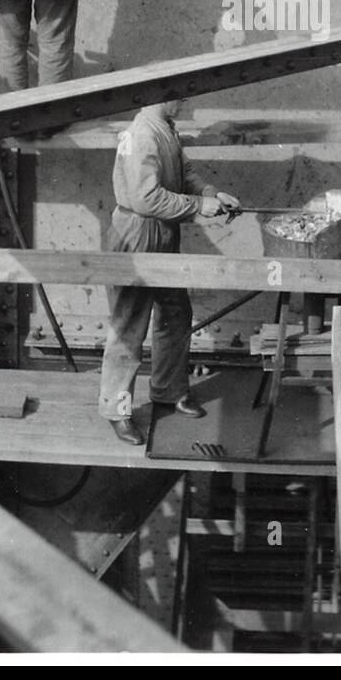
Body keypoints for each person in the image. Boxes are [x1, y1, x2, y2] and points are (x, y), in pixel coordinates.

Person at [98, 100, 241, 445]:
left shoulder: (165, 128)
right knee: (129, 324)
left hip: (163, 231)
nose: (186, 101)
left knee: (175, 312)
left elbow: (184, 172)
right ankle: (118, 411)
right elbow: (145, 199)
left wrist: (210, 193)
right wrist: (198, 206)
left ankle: (168, 391)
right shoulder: (143, 134)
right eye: (180, 95)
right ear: (163, 94)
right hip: (137, 232)